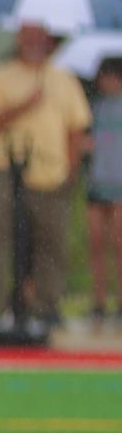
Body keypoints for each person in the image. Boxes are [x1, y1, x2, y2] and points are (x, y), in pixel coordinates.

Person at [0, 20, 91, 332]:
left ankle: (47, 305)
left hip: (52, 175)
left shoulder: (64, 79)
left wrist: (71, 169)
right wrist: (24, 105)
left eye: (39, 35)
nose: (33, 41)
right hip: (8, 170)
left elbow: (76, 127)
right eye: (27, 35)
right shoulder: (1, 75)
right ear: (18, 38)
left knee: (52, 244)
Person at [85, 57, 122, 324]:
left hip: (119, 184)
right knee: (96, 245)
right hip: (96, 184)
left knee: (118, 246)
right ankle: (99, 300)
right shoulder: (94, 108)